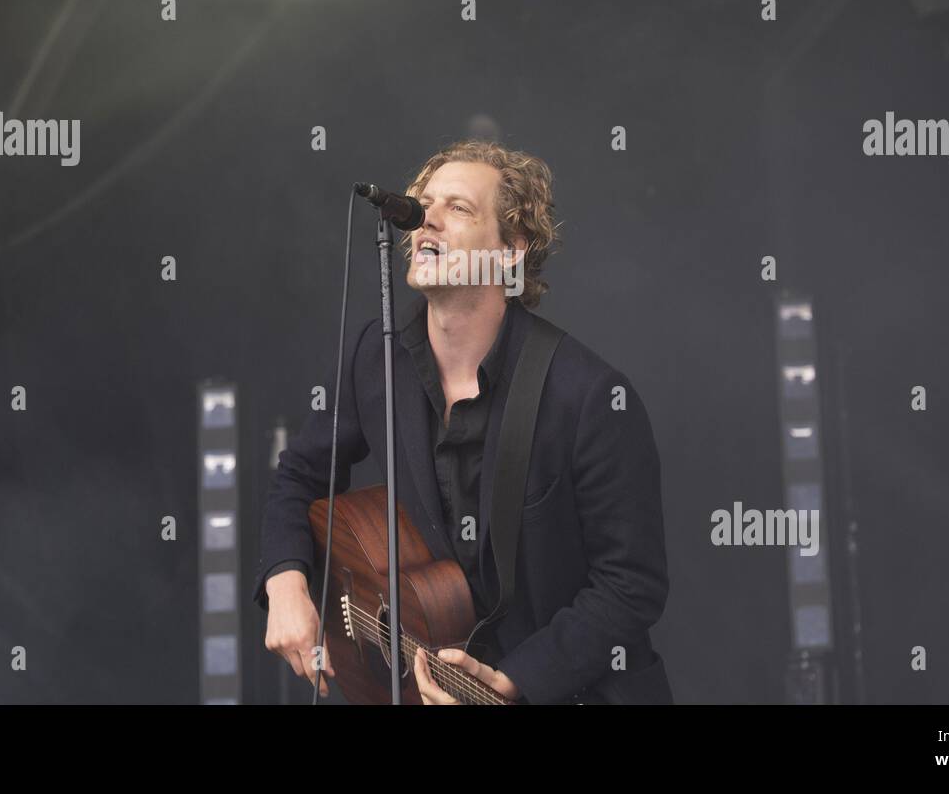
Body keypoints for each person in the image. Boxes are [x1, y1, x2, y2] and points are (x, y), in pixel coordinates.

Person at [253, 139, 672, 704]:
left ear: (510, 252)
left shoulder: (590, 396)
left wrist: (515, 679)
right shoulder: (373, 361)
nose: (426, 217)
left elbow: (631, 584)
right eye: (423, 204)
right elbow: (301, 473)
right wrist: (284, 582)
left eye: (459, 208)